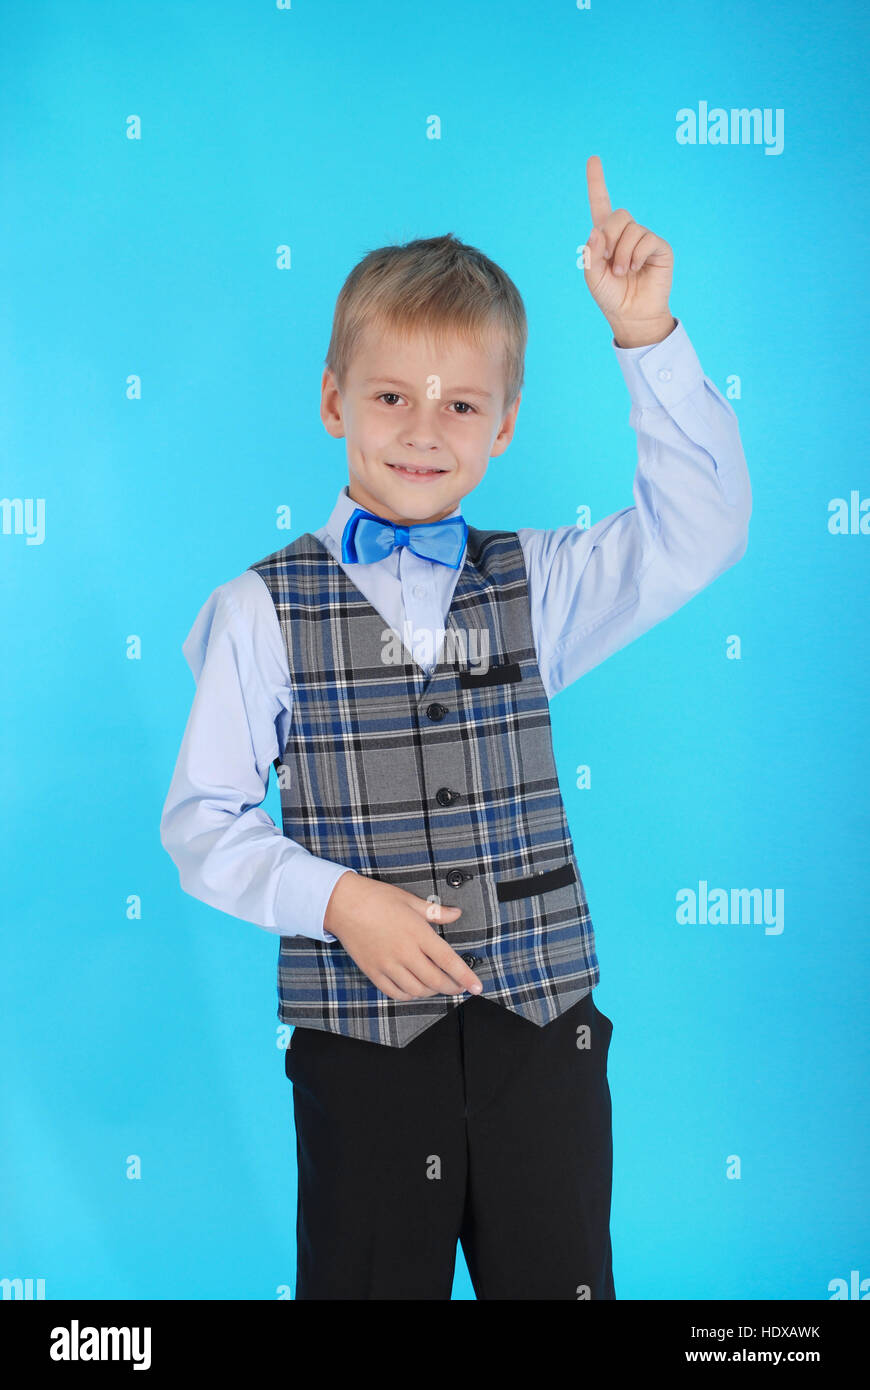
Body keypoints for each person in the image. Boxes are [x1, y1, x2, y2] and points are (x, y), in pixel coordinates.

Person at [160, 156, 752, 1299]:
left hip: (543, 1038)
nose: (424, 428)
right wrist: (339, 900)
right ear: (334, 399)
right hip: (363, 1052)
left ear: (505, 426)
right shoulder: (258, 610)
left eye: (462, 403)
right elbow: (203, 823)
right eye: (391, 395)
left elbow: (705, 529)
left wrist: (648, 338)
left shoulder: (542, 581)